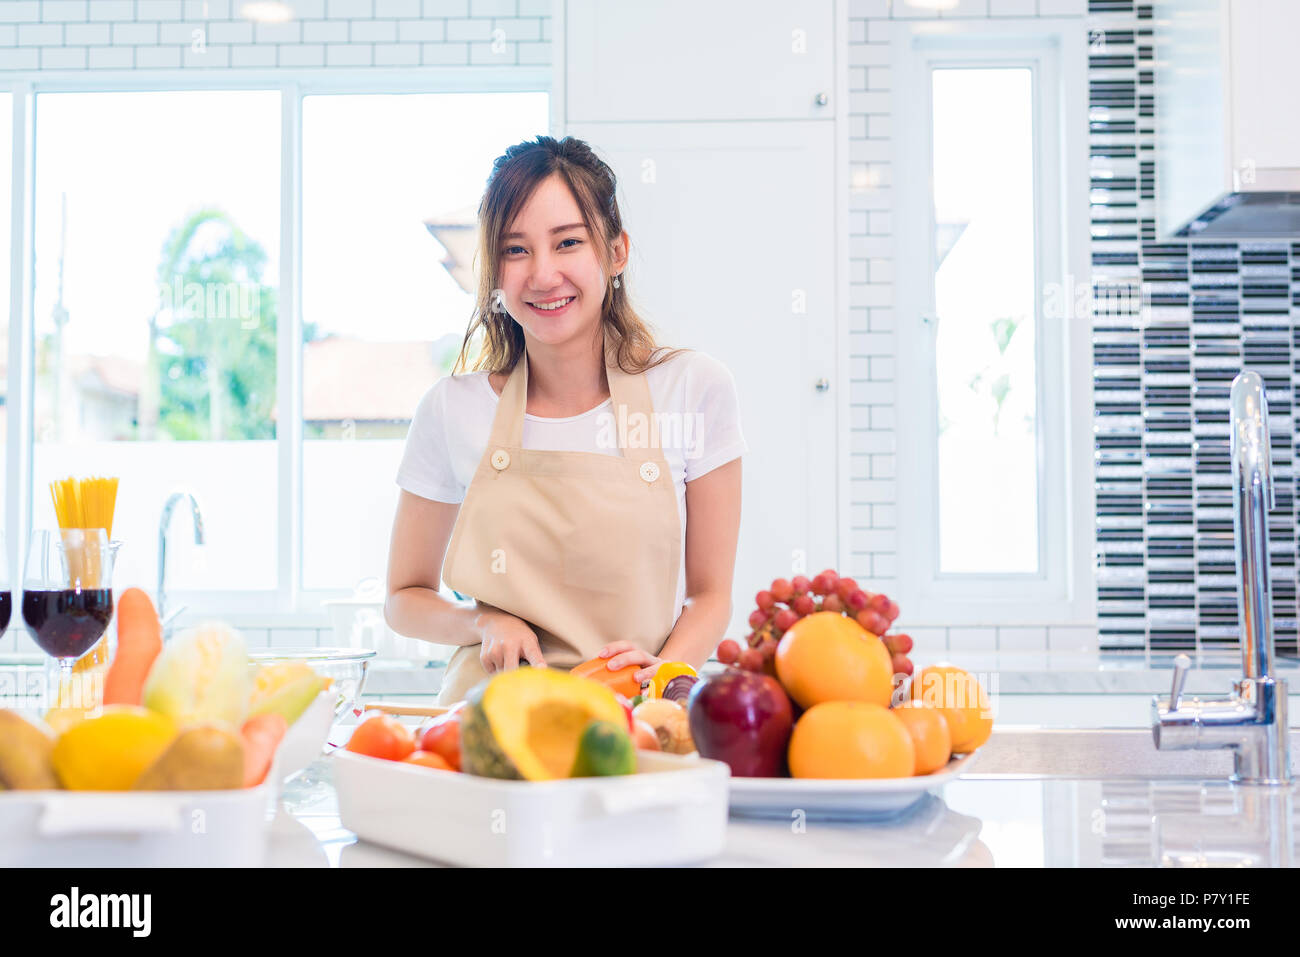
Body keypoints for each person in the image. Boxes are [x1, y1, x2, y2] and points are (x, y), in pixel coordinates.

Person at [385, 135, 746, 705]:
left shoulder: (693, 390)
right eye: (515, 249)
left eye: (568, 242)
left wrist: (666, 672)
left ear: (616, 252)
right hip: (487, 726)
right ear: (495, 272)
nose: (544, 274)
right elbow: (404, 598)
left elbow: (710, 596)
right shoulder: (452, 409)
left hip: (633, 719)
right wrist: (481, 624)